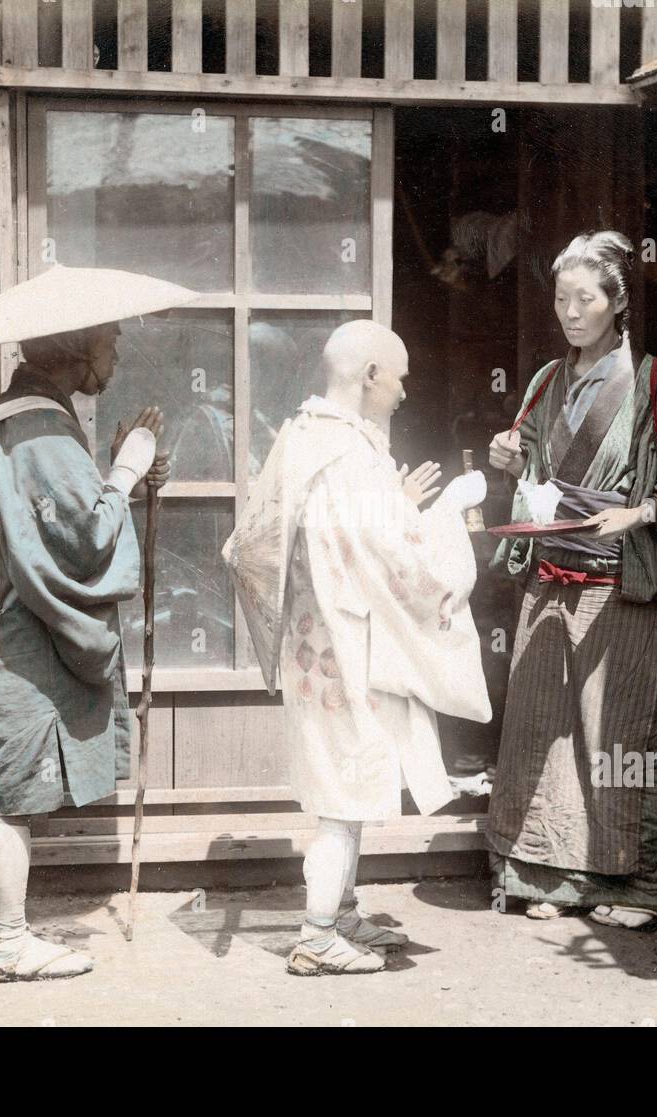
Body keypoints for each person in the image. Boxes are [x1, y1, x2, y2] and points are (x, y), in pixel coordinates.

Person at [225, 320, 492, 975]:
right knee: (344, 791)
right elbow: (394, 558)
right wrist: (449, 516)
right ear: (371, 374)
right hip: (346, 639)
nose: (404, 391)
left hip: (318, 637)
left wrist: (399, 505)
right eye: (399, 376)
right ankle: (317, 932)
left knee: (350, 777)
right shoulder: (347, 451)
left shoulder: (307, 437)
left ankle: (342, 914)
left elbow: (342, 532)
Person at [485, 231, 657, 929]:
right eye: (561, 299)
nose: (571, 312)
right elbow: (529, 464)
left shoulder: (653, 382)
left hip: (618, 581)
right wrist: (507, 456)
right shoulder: (546, 381)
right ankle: (549, 878)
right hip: (548, 575)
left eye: (585, 298)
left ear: (617, 302)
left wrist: (640, 509)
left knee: (617, 734)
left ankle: (645, 882)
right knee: (539, 730)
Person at [0, 319, 168, 982]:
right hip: (24, 637)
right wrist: (124, 471)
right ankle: (7, 940)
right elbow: (85, 533)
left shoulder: (3, 414)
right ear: (75, 349)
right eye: (111, 342)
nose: (117, 354)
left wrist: (115, 468)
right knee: (10, 791)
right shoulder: (43, 426)